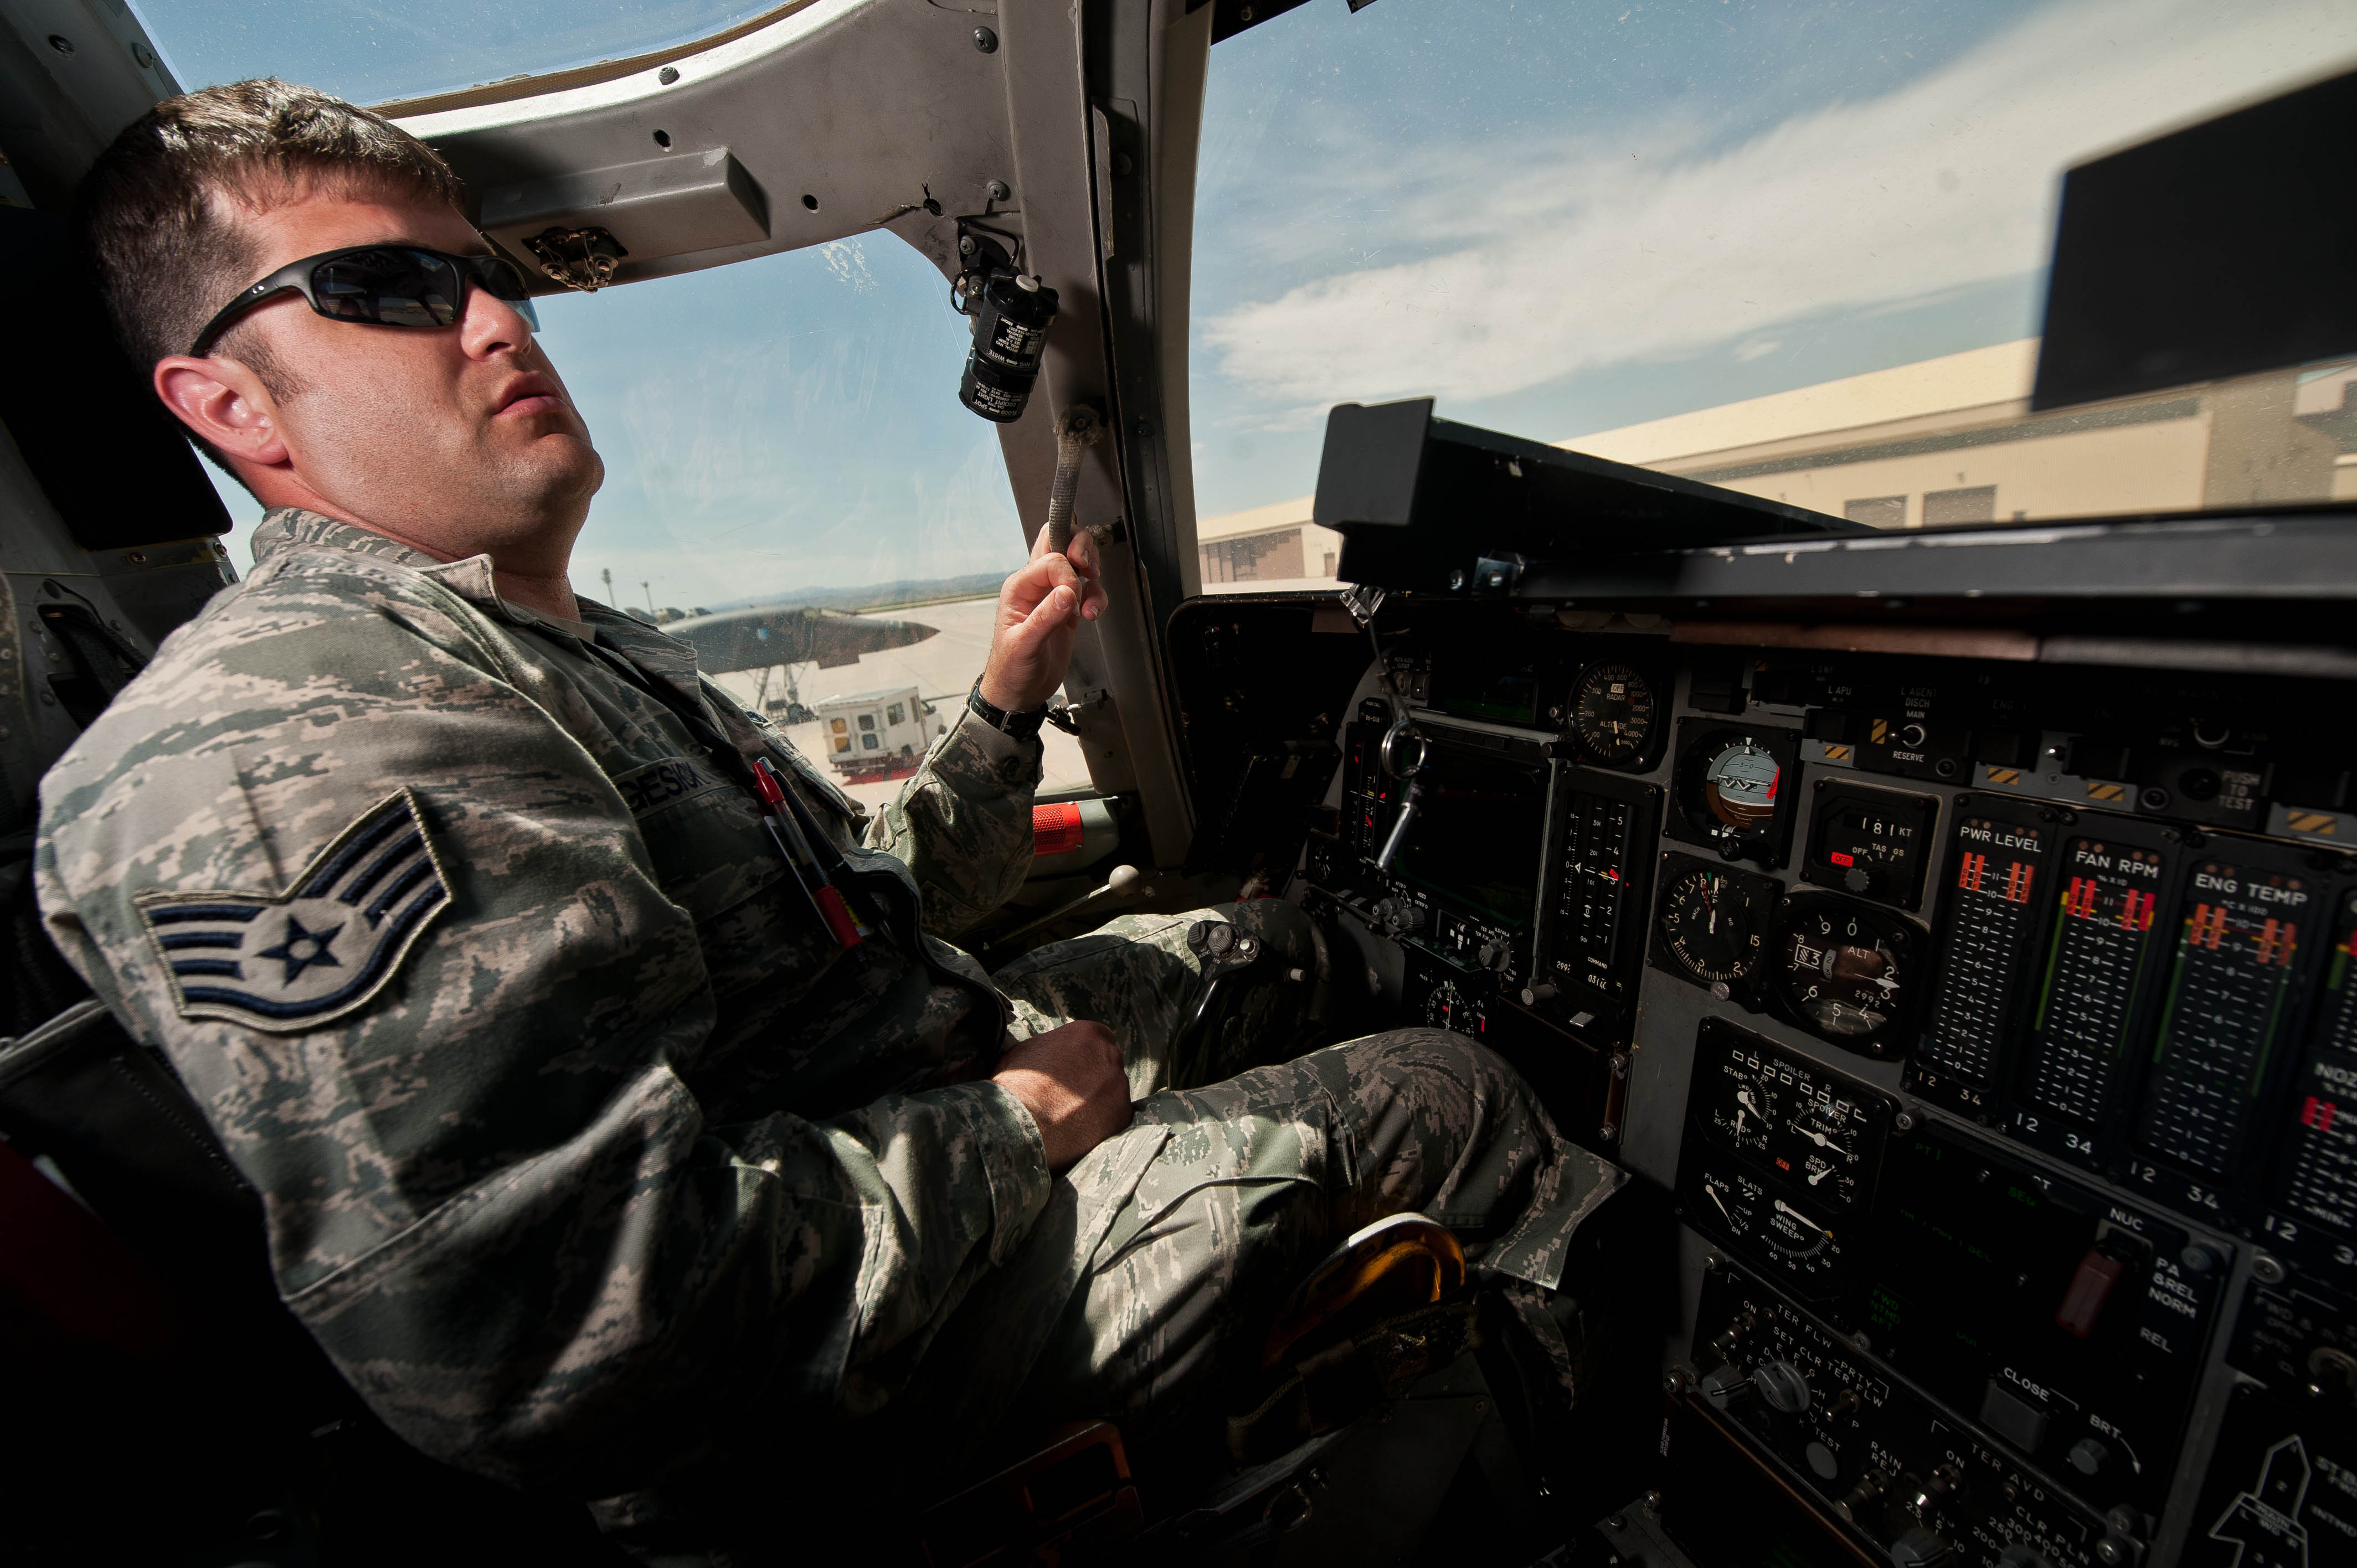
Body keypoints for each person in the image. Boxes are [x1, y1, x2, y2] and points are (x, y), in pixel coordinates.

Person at [35, 79, 1620, 1551]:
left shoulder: (550, 650)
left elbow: (860, 917)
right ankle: (1583, 1482)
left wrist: (1007, 704)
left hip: (887, 1096)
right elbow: (574, 1348)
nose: (500, 321)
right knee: (1456, 1093)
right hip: (815, 1391)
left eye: (488, 271)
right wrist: (1013, 1126)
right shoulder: (294, 738)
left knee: (1275, 947)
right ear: (232, 406)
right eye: (393, 290)